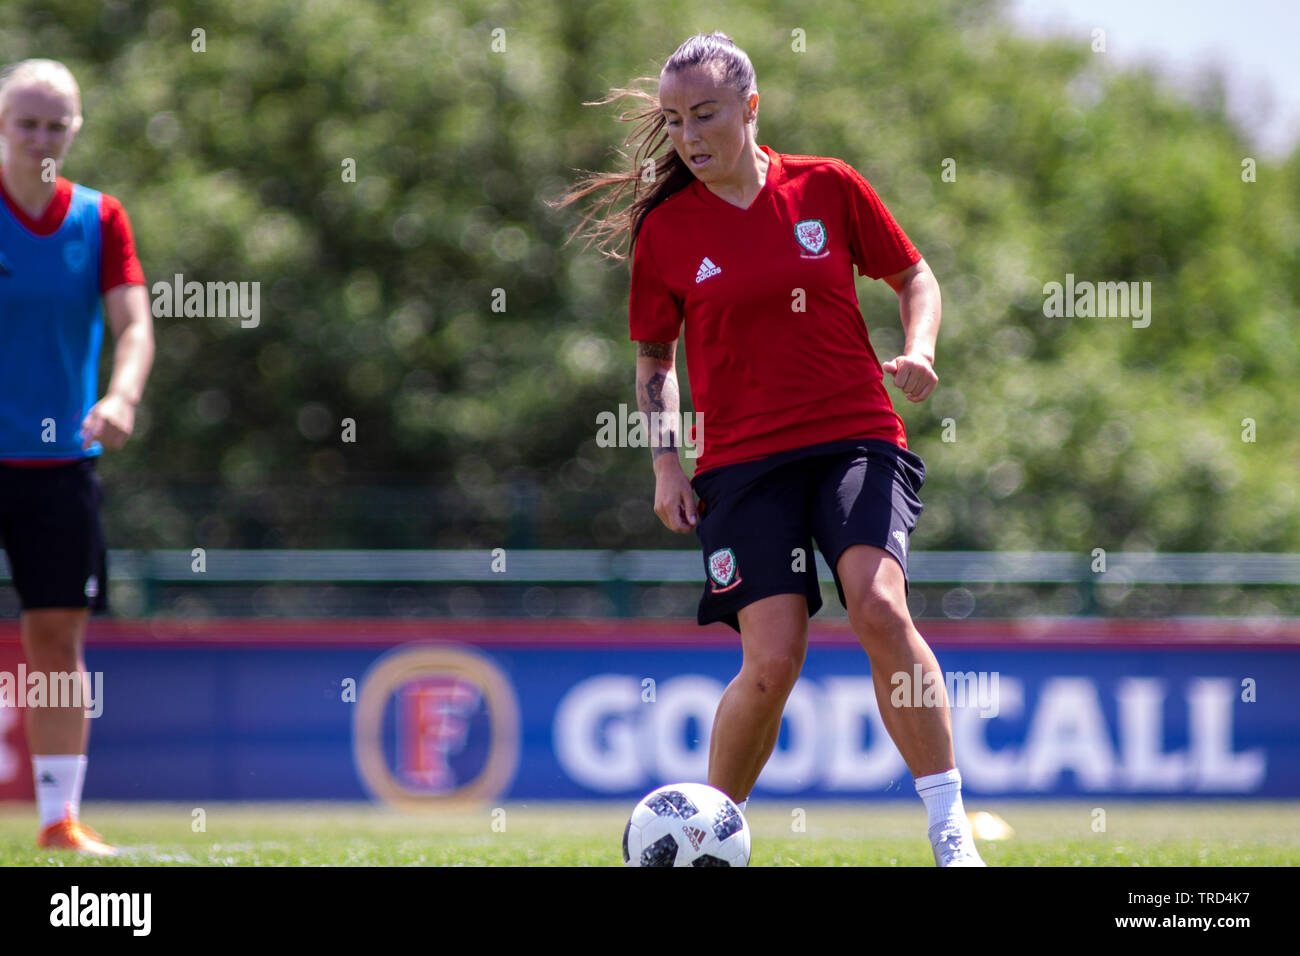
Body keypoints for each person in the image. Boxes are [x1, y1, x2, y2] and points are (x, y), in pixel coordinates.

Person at [557, 32, 983, 865]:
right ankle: (707, 836)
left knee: (879, 605)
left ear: (750, 108)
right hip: (742, 466)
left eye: (706, 114)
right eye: (675, 120)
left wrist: (921, 348)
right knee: (772, 659)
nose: (688, 135)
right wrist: (666, 463)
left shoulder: (828, 186)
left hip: (855, 436)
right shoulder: (667, 230)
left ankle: (949, 828)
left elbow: (914, 276)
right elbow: (654, 357)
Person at [0, 59, 154, 856]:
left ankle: (59, 820)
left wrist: (122, 396)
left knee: (57, 639)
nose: (41, 138)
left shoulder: (99, 218)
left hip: (58, 469)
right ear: (2, 123)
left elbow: (133, 324)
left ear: (77, 127)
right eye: (27, 122)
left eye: (56, 124)